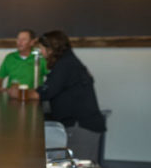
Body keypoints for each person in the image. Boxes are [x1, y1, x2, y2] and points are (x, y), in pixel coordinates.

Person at [36, 31, 106, 161]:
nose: (41, 52)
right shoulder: (68, 61)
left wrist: (23, 93)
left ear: (51, 49)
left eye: (41, 48)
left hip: (81, 126)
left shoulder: (65, 64)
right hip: (80, 125)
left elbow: (46, 92)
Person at [0, 29, 47, 96]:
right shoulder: (10, 57)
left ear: (32, 42)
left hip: (32, 98)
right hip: (12, 98)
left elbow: (52, 78)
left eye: (24, 39)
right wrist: (1, 90)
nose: (20, 42)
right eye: (18, 39)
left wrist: (42, 91)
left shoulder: (40, 57)